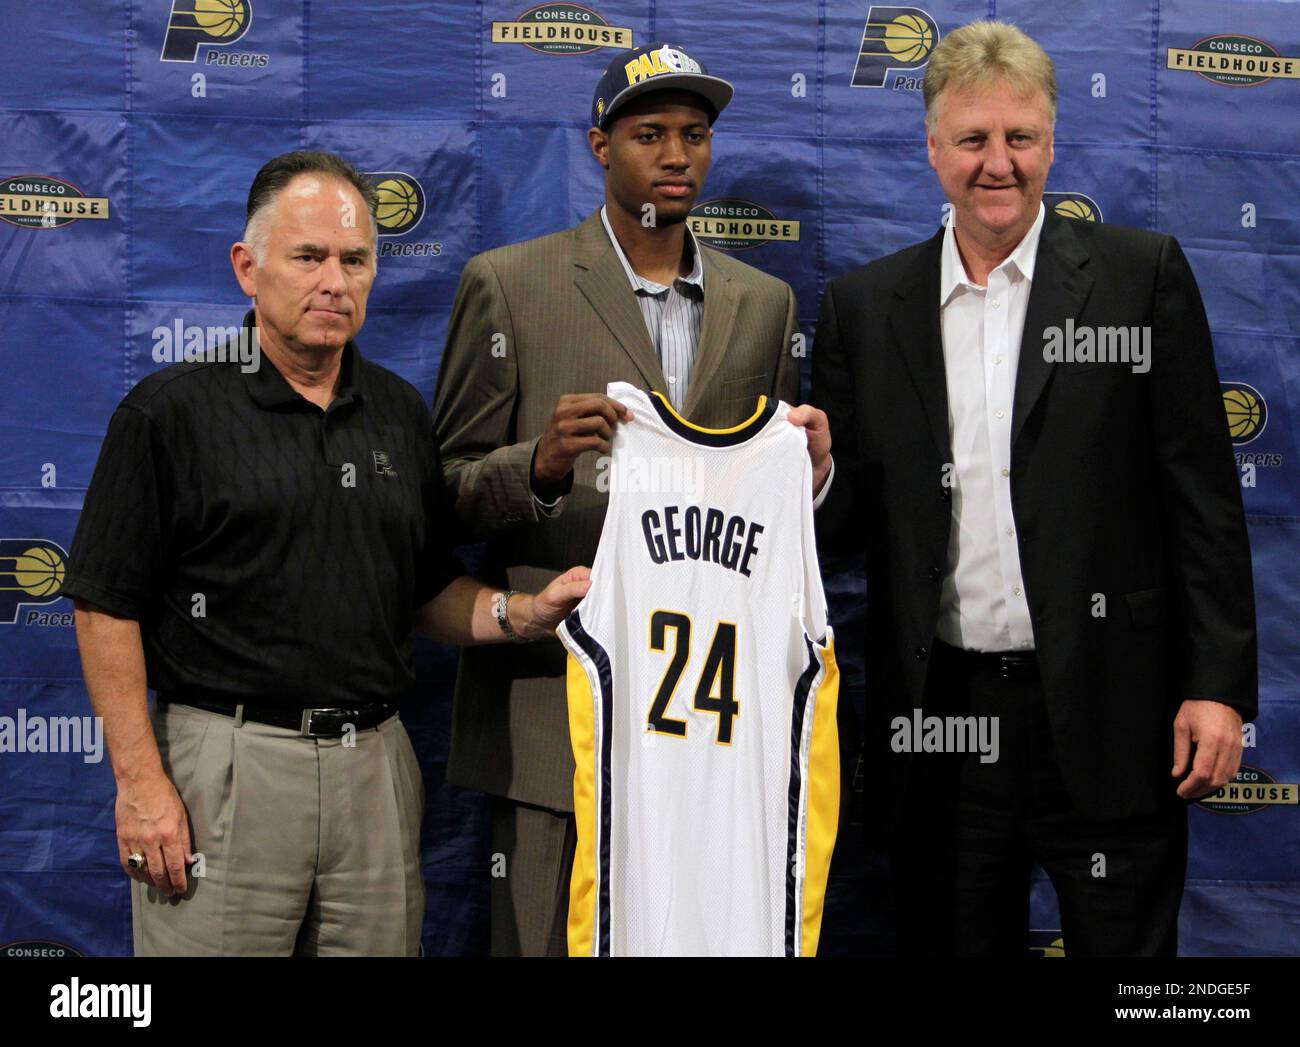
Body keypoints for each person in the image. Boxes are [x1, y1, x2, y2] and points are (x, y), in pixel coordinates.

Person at [63, 150, 590, 957]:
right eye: (308, 257)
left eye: (354, 260)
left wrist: (519, 614)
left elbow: (419, 587)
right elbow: (105, 604)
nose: (334, 282)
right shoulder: (169, 413)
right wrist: (139, 784)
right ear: (248, 267)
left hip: (375, 768)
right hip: (226, 771)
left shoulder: (398, 414)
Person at [812, 21, 1256, 956]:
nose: (998, 164)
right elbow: (846, 527)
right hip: (941, 725)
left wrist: (1217, 688)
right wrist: (812, 479)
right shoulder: (862, 307)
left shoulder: (1141, 279)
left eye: (1020, 139)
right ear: (933, 148)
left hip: (1114, 714)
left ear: (1052, 142)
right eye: (974, 139)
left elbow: (1203, 502)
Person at [433, 42, 832, 956]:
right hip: (553, 713)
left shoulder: (763, 302)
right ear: (599, 146)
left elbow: (762, 512)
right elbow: (443, 493)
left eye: (695, 134)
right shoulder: (511, 284)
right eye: (650, 133)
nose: (677, 155)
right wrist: (536, 466)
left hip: (707, 726)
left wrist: (810, 475)